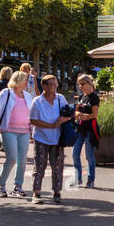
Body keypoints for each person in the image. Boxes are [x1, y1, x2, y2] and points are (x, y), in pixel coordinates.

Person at [0, 71, 34, 197]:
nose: (27, 82)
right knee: (11, 158)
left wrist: (33, 129)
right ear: (19, 81)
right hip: (9, 130)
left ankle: (18, 186)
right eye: (25, 80)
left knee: (22, 160)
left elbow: (31, 113)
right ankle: (1, 185)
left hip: (24, 131)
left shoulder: (27, 95)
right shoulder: (6, 93)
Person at [29, 75, 70, 205]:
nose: (55, 86)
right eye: (52, 84)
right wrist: (50, 125)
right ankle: (36, 192)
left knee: (57, 166)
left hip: (57, 138)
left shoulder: (60, 98)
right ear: (44, 86)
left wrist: (63, 119)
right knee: (40, 166)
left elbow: (69, 114)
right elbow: (33, 120)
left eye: (56, 84)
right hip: (41, 137)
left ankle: (57, 192)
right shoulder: (37, 101)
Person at [72, 74, 100, 189]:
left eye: (83, 83)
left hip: (90, 129)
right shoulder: (81, 97)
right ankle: (78, 179)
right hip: (80, 128)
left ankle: (90, 180)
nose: (81, 86)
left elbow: (95, 114)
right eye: (79, 84)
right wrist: (78, 114)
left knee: (89, 156)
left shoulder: (94, 97)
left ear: (90, 84)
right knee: (75, 154)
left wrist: (84, 116)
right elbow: (76, 113)